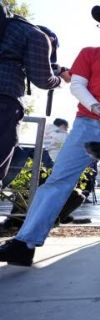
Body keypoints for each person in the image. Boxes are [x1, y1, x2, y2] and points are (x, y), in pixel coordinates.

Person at [0, 5, 100, 266]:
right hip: (87, 125)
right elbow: (78, 85)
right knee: (58, 181)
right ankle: (25, 244)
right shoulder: (90, 53)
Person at [0, 5, 70, 188]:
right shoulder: (38, 36)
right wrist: (61, 80)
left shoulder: (9, 27)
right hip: (5, 100)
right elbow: (43, 79)